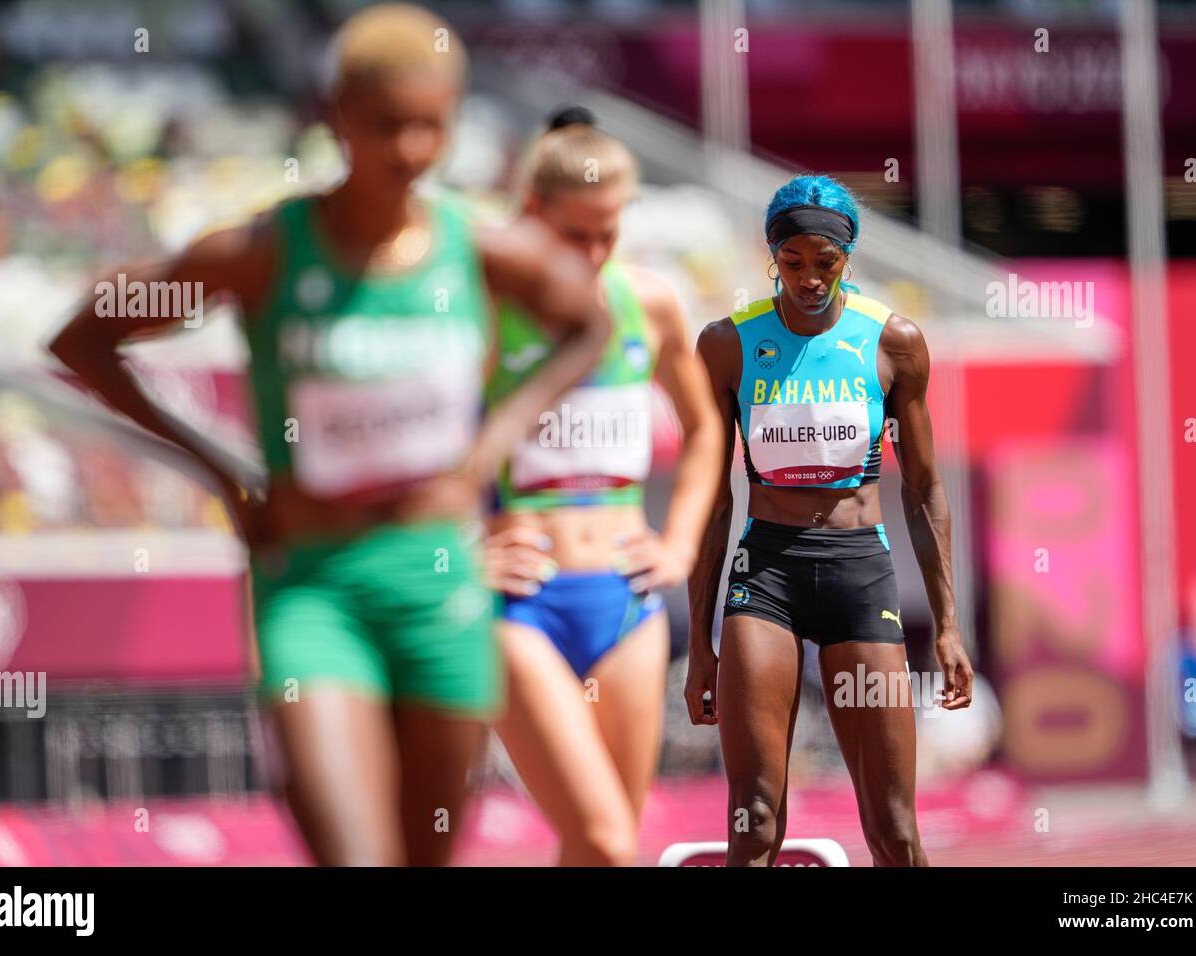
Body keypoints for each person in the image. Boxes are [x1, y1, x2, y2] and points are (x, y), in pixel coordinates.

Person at [48, 3, 611, 866]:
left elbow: (589, 322)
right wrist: (223, 473)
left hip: (438, 586)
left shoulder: (478, 247)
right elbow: (87, 338)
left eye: (432, 126)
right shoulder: (266, 250)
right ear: (336, 115)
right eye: (387, 126)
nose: (411, 150)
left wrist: (492, 445)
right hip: (315, 589)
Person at [685, 173, 974, 866]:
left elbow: (925, 489)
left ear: (850, 257)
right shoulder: (728, 344)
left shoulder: (893, 342)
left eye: (826, 264)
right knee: (753, 817)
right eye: (793, 264)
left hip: (859, 579)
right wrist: (700, 641)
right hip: (767, 575)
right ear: (771, 256)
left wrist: (949, 626)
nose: (809, 280)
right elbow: (713, 498)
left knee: (895, 828)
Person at [480, 108, 723, 865]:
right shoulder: (483, 307)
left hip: (626, 600)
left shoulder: (649, 303)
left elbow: (708, 427)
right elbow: (420, 452)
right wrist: (461, 552)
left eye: (608, 232)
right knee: (605, 839)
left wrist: (681, 544)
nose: (591, 252)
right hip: (520, 605)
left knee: (608, 841)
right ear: (531, 212)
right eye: (572, 233)